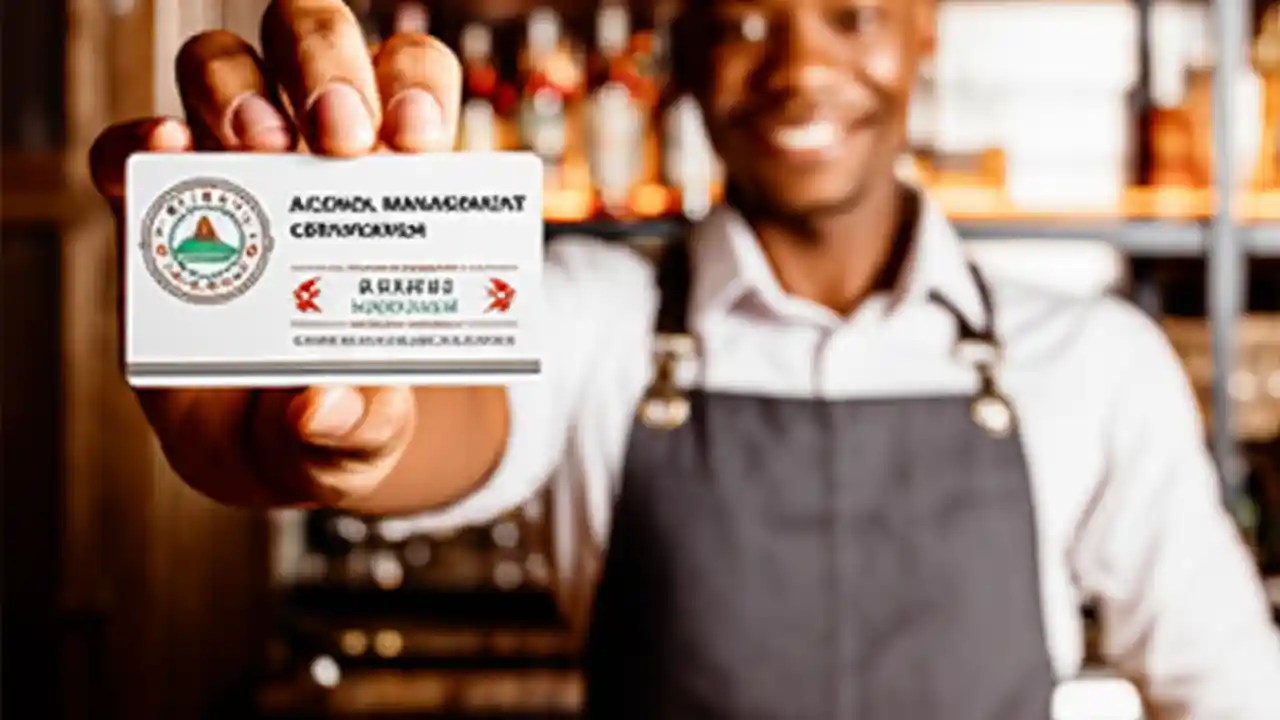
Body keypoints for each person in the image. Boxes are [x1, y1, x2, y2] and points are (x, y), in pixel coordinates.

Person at [89, 0, 1280, 717]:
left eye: (850, 16)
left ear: (921, 34)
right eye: (745, 22)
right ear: (685, 56)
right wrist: (317, 427)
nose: (800, 67)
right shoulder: (596, 319)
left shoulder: (1088, 363)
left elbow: (1233, 692)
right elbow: (437, 423)